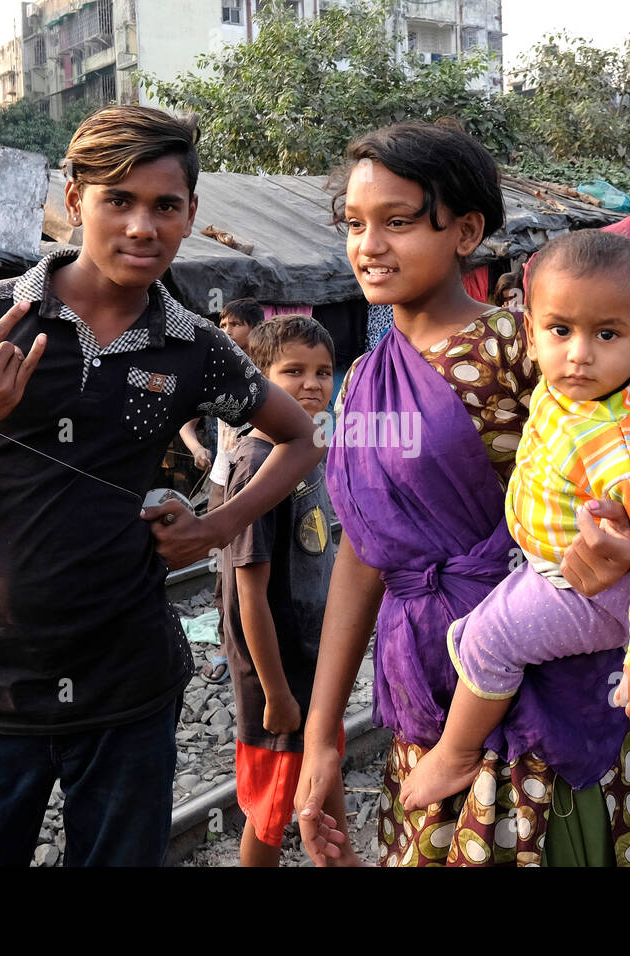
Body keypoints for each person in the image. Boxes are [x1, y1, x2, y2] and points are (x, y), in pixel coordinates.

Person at [0, 105, 320, 867]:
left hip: (131, 692)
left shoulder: (195, 348)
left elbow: (301, 440)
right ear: (76, 201)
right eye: (119, 200)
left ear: (188, 218)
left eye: (165, 206)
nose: (143, 226)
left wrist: (217, 528)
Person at [293, 120, 630, 867]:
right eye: (355, 224)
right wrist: (321, 737)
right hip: (426, 682)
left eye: (398, 222)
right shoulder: (360, 379)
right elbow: (365, 548)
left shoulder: (531, 343)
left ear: (467, 230)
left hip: (542, 682)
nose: (369, 246)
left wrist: (615, 544)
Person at [400, 229, 630, 811]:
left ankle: (454, 754)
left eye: (607, 334)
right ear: (531, 332)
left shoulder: (629, 446)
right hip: (552, 563)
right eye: (561, 330)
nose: (579, 353)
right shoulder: (586, 388)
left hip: (588, 589)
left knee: (484, 638)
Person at [218, 314, 357, 866]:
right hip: (276, 669)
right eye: (293, 371)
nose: (312, 384)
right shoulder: (257, 462)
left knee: (322, 766)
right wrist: (275, 693)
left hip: (312, 657)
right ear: (260, 378)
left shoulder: (310, 450)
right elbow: (248, 595)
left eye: (323, 371)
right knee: (271, 808)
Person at [178, 296, 266, 683]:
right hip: (221, 481)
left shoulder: (269, 373)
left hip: (262, 480)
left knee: (257, 568)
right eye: (223, 323)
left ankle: (260, 645)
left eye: (234, 324)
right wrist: (198, 448)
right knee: (224, 571)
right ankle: (226, 645)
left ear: (255, 328)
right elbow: (186, 423)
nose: (226, 331)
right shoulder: (216, 371)